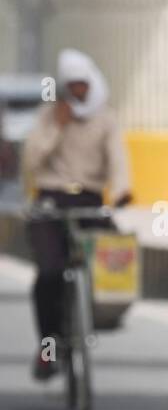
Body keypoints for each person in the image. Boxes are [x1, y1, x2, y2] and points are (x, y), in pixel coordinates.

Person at [21, 49, 131, 380]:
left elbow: (119, 159)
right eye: (72, 86)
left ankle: (98, 317)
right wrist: (57, 127)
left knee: (114, 263)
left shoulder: (106, 118)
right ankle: (48, 347)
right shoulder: (50, 115)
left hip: (90, 201)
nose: (78, 92)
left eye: (82, 85)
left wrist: (124, 190)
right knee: (49, 273)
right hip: (51, 202)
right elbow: (31, 162)